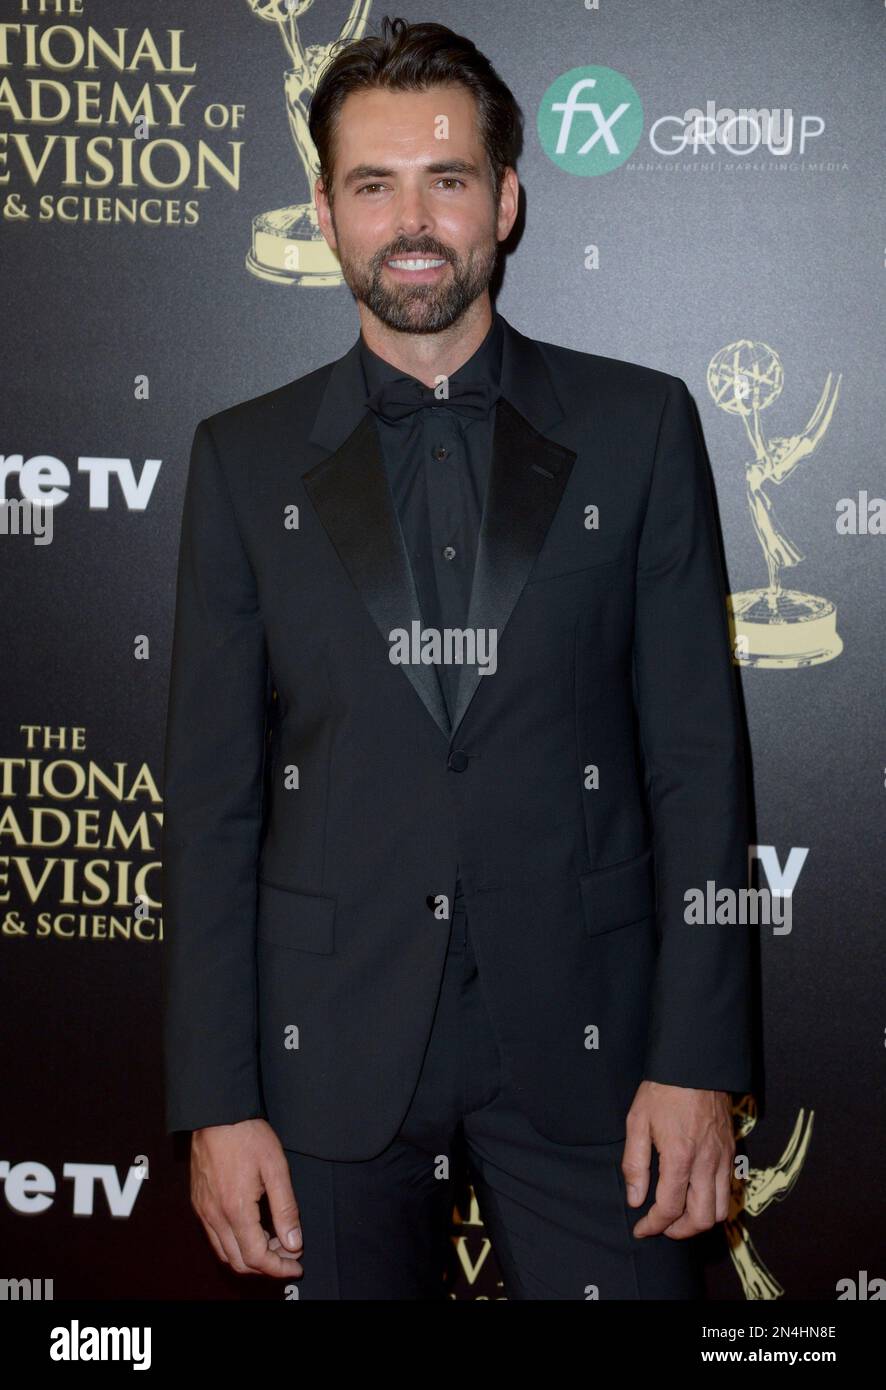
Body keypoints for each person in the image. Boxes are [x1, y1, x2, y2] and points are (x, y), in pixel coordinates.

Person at [162, 17, 755, 1300]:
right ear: (325, 210)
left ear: (508, 199)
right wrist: (217, 1100)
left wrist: (698, 1061)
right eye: (373, 184)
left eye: (448, 178)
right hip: (326, 1055)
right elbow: (209, 805)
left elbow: (698, 764)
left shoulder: (638, 427)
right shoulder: (241, 458)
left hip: (597, 1054)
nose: (413, 218)